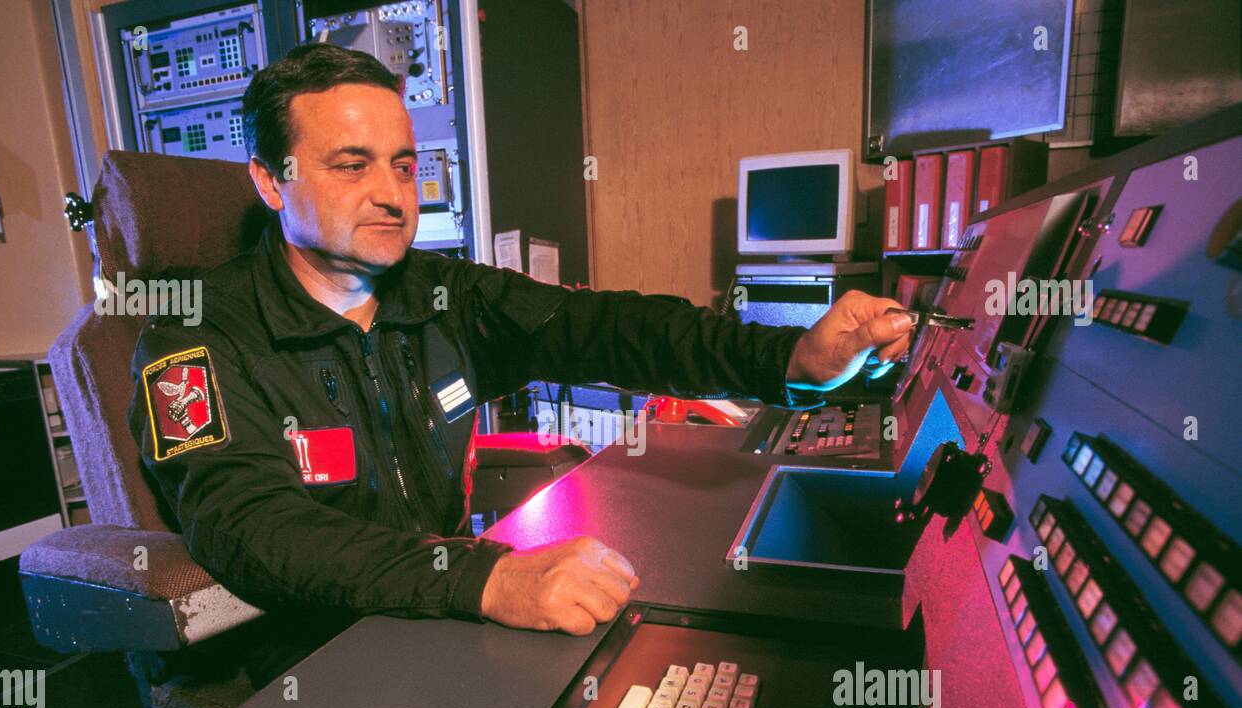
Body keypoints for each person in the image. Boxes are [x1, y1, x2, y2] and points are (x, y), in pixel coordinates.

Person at [128, 42, 913, 643]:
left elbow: (609, 327)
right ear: (270, 179)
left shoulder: (442, 296)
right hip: (312, 662)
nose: (391, 194)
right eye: (351, 165)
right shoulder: (194, 338)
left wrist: (788, 358)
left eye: (403, 166)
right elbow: (254, 530)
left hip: (441, 625)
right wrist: (482, 577)